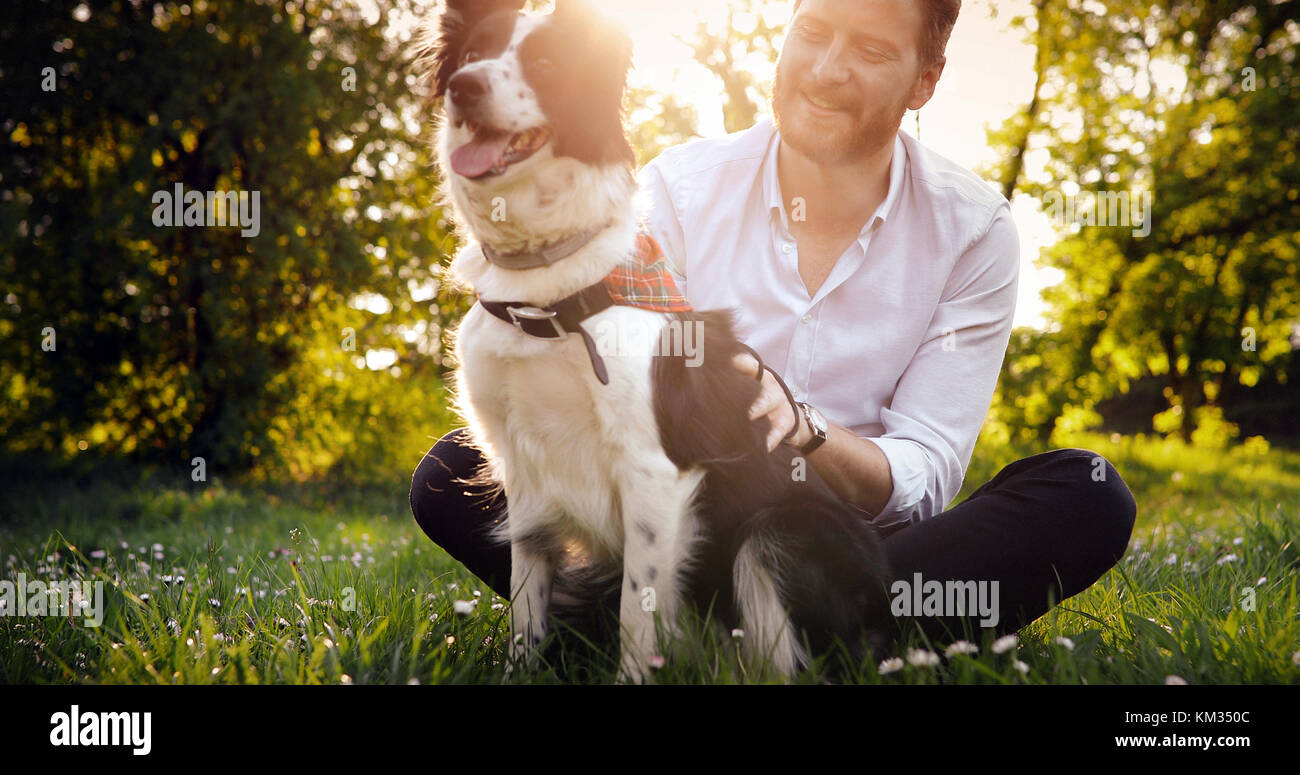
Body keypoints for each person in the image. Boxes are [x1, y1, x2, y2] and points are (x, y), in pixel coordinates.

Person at [411, 0, 1136, 654]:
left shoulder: (974, 232)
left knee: (1087, 490)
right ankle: (792, 645)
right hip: (687, 531)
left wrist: (805, 428)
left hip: (860, 548)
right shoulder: (679, 187)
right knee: (453, 471)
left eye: (872, 51)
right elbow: (615, 418)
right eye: (812, 33)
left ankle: (813, 627)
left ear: (926, 80)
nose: (827, 70)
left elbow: (925, 467)